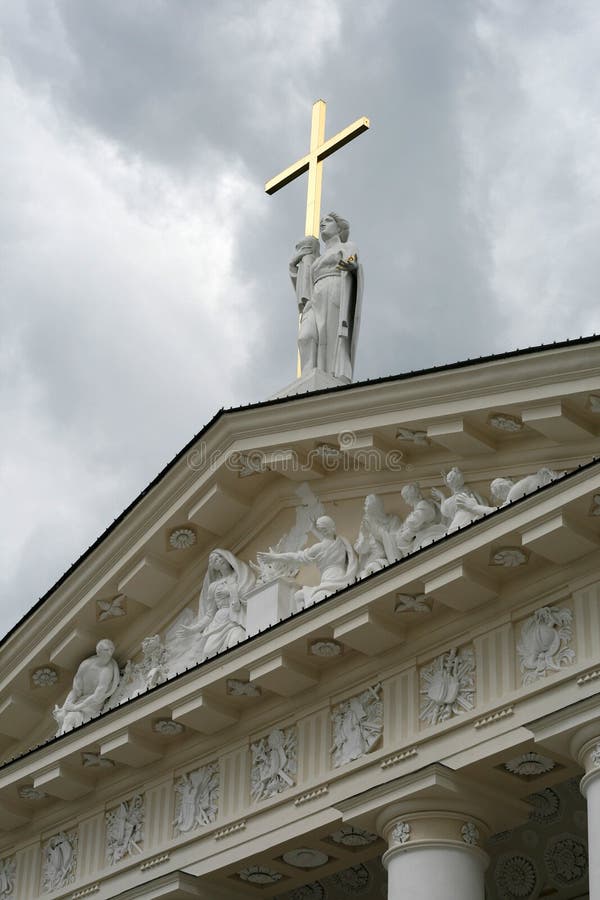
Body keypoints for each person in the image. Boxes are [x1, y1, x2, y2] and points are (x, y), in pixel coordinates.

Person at [290, 213, 362, 381]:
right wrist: (294, 266)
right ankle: (308, 375)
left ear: (339, 228)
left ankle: (331, 377)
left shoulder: (347, 246)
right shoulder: (316, 258)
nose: (322, 224)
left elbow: (353, 260)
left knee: (330, 337)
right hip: (315, 297)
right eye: (321, 222)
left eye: (328, 221)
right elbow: (304, 286)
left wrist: (352, 265)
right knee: (306, 335)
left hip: (335, 289)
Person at [258, 515, 357, 609]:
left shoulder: (320, 547)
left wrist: (275, 557)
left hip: (329, 579)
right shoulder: (340, 542)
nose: (324, 532)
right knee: (300, 596)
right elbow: (328, 544)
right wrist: (314, 529)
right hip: (342, 577)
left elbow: (296, 557)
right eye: (322, 530)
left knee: (301, 597)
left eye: (323, 529)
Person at [177, 550, 255, 661]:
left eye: (220, 557)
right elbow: (209, 615)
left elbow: (247, 593)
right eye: (214, 560)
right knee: (208, 652)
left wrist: (231, 591)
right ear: (214, 567)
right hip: (219, 622)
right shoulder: (213, 587)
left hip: (235, 620)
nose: (219, 560)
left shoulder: (239, 576)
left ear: (226, 558)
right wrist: (193, 630)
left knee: (237, 640)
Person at [53, 639, 120, 735]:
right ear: (98, 652)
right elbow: (76, 691)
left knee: (71, 718)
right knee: (68, 718)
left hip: (93, 705)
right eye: (106, 650)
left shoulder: (107, 671)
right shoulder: (86, 665)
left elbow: (97, 697)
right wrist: (64, 709)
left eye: (111, 649)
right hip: (81, 700)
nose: (110, 653)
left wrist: (76, 707)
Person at [354, 494, 400, 577]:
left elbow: (398, 541)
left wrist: (380, 533)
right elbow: (361, 550)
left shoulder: (392, 521)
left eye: (366, 505)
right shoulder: (366, 525)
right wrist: (365, 535)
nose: (364, 508)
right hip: (372, 562)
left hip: (387, 561)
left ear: (375, 509)